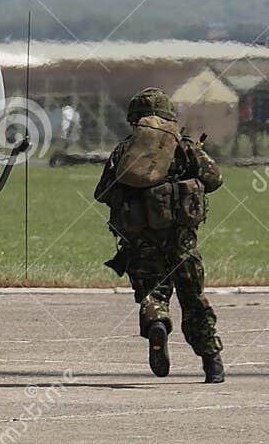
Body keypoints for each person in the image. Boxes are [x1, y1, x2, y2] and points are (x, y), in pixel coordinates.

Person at [95, 88, 226, 383]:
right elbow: (215, 179)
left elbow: (102, 192)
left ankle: (157, 323)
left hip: (141, 241)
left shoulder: (125, 150)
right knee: (193, 298)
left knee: (153, 292)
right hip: (183, 241)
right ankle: (212, 362)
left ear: (134, 120)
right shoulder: (185, 147)